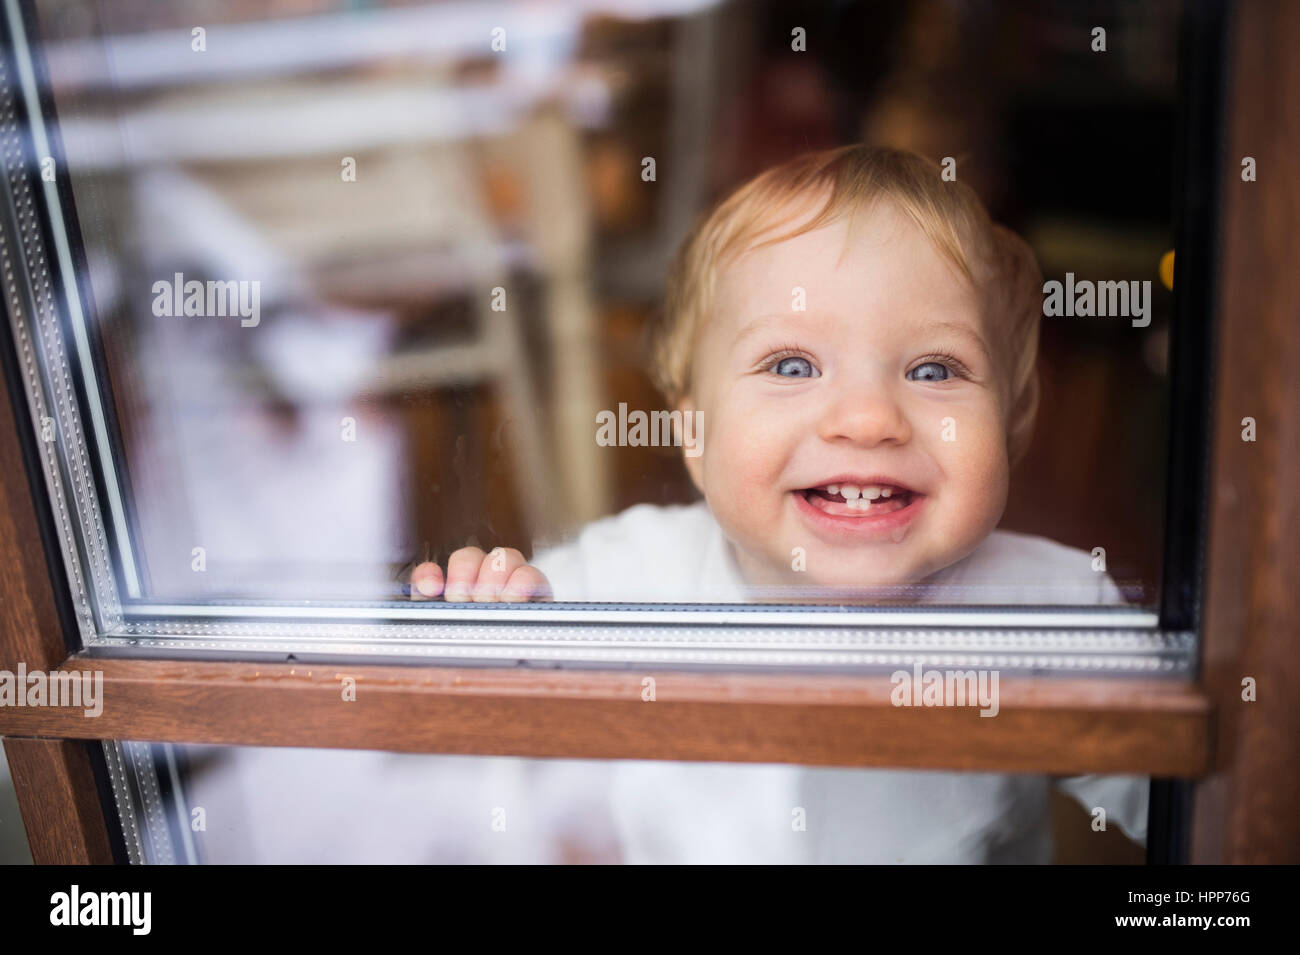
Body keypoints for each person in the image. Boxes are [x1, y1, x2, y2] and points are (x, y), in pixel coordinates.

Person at [408, 145, 1146, 862]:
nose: (866, 418)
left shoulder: (1049, 612)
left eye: (933, 367)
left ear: (1013, 421)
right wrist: (490, 619)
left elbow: (1200, 799)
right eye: (792, 364)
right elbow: (485, 749)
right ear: (694, 432)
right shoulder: (624, 580)